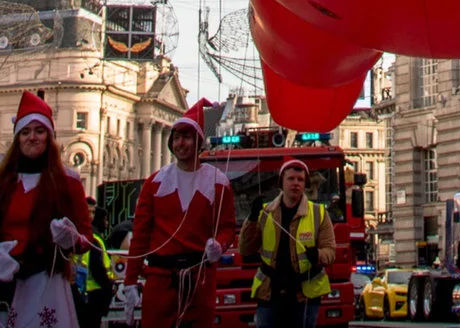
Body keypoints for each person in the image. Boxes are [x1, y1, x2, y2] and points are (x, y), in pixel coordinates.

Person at [0, 92, 95, 328]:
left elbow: (87, 239)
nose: (32, 137)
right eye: (25, 132)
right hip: (0, 286)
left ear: (49, 137)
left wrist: (71, 239)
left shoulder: (69, 181)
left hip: (47, 285)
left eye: (39, 131)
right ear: (17, 138)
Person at [126, 101, 237, 328]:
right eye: (176, 137)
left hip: (199, 281)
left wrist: (219, 245)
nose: (180, 143)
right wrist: (129, 282)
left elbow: (227, 227)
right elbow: (140, 236)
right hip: (160, 281)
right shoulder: (155, 183)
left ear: (198, 142)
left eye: (186, 137)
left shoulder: (218, 182)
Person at [239, 158, 336, 328]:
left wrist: (318, 255)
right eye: (290, 179)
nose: (295, 183)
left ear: (305, 184)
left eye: (300, 180)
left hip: (305, 293)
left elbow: (330, 251)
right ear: (281, 183)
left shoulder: (319, 213)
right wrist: (252, 219)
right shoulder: (265, 212)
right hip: (270, 291)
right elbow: (246, 249)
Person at [76, 230, 118, 328]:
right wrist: (109, 285)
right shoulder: (93, 239)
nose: (107, 223)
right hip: (93, 294)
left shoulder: (72, 236)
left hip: (78, 292)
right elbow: (98, 269)